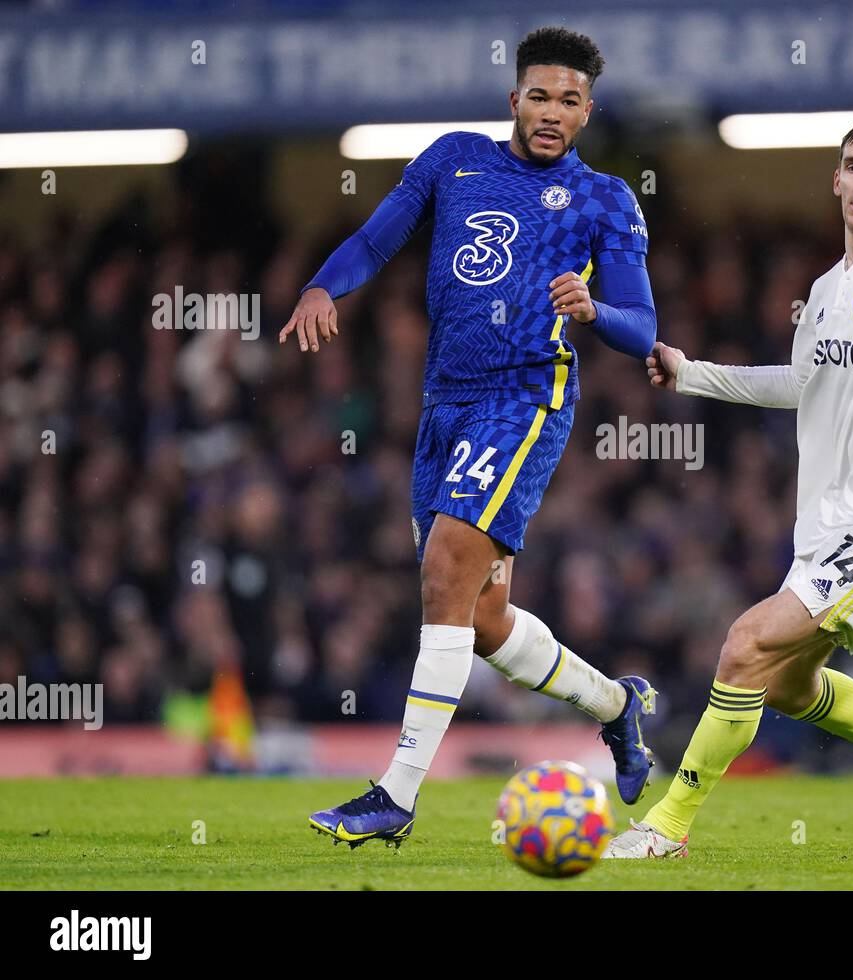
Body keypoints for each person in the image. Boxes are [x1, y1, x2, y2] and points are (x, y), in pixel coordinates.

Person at [282, 27, 659, 849]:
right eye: (540, 95)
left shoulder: (604, 199)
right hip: (443, 404)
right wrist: (321, 286)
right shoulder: (453, 159)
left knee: (447, 563)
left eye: (569, 100)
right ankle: (618, 706)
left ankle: (395, 795)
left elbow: (642, 326)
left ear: (587, 111)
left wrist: (597, 312)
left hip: (525, 399)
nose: (553, 112)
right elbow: (377, 239)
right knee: (482, 620)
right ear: (513, 99)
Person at [606, 117, 853, 858]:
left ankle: (666, 825)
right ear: (835, 177)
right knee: (788, 687)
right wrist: (692, 373)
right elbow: (800, 384)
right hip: (829, 525)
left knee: (744, 646)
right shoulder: (826, 289)